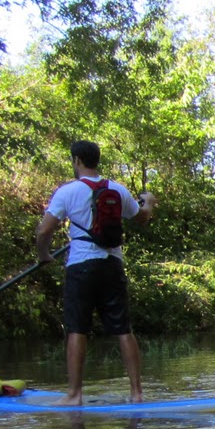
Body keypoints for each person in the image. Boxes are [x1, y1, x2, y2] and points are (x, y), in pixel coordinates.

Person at [35, 140, 155, 405]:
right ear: (96, 160)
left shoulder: (67, 192)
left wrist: (43, 255)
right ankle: (137, 394)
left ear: (77, 160)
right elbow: (142, 217)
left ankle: (74, 395)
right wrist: (149, 202)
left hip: (81, 266)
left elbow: (45, 230)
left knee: (77, 328)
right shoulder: (117, 189)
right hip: (112, 265)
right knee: (123, 328)